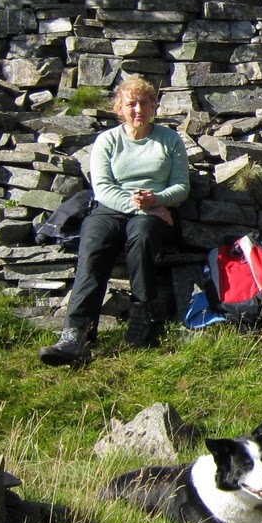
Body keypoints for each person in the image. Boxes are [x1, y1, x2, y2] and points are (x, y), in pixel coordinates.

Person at [40, 77, 189, 366]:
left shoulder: (169, 140)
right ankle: (76, 335)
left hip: (152, 208)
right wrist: (142, 207)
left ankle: (142, 317)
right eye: (131, 104)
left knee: (142, 237)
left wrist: (155, 202)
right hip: (112, 208)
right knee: (94, 242)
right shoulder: (107, 140)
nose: (138, 110)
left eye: (144, 103)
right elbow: (103, 188)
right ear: (119, 108)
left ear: (154, 106)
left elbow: (181, 187)